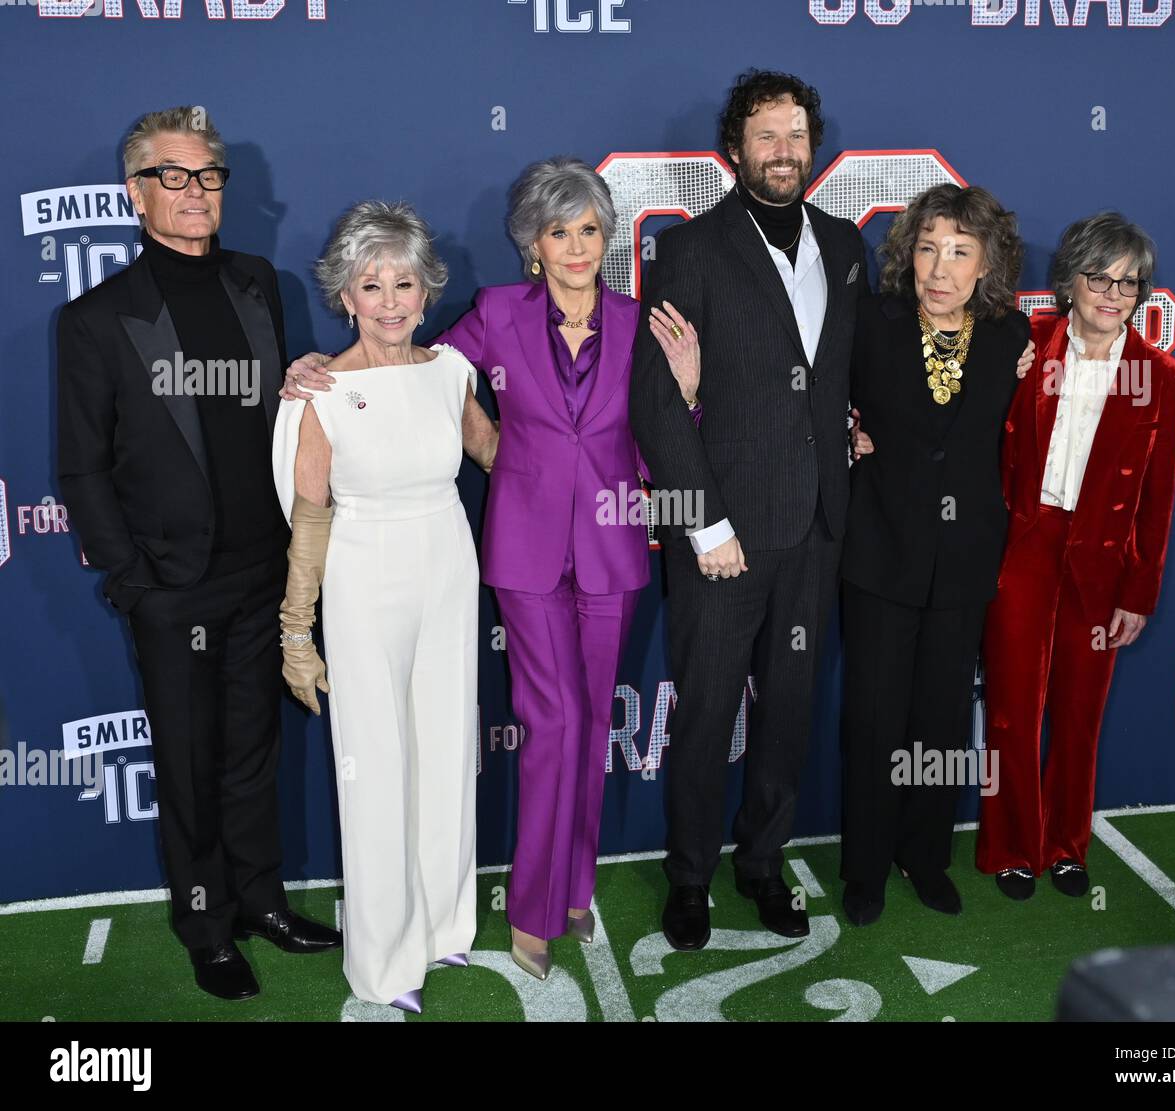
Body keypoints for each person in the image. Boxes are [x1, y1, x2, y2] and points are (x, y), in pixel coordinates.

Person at [282, 160, 700, 982]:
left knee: (590, 724)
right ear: (532, 246)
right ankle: (534, 911)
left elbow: (657, 448)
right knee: (553, 725)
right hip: (524, 554)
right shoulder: (496, 317)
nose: (576, 246)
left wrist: (683, 395)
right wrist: (312, 373)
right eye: (558, 232)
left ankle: (576, 884)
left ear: (608, 238)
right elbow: (414, 376)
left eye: (589, 229)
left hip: (615, 551)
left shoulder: (639, 321)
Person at [56, 107, 339, 1002]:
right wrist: (130, 577)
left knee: (255, 753)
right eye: (173, 177)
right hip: (172, 587)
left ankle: (261, 901)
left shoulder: (259, 282)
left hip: (264, 572)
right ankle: (207, 925)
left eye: (208, 175)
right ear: (135, 193)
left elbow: (278, 413)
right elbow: (82, 462)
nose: (195, 193)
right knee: (187, 765)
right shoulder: (98, 319)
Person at [629, 69, 870, 951]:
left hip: (815, 531)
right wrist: (707, 527)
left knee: (790, 710)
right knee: (703, 713)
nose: (782, 150)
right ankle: (689, 875)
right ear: (734, 150)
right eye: (765, 134)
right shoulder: (689, 251)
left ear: (813, 144)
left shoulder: (845, 247)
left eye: (795, 133)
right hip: (721, 538)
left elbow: (855, 373)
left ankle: (762, 863)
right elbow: (656, 404)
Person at [271, 201, 489, 1012]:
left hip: (446, 561)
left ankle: (443, 926)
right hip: (363, 575)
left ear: (427, 289)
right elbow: (310, 516)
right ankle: (385, 962)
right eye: (372, 285)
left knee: (443, 748)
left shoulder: (451, 372)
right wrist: (297, 630)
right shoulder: (321, 390)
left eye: (405, 281)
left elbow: (497, 452)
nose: (391, 299)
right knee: (375, 767)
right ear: (347, 296)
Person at [976, 213, 1175, 900]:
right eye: (1100, 276)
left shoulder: (1161, 376)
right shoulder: (1026, 342)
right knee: (1010, 706)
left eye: (1129, 283)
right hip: (1026, 546)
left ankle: (1067, 845)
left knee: (1079, 712)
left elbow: (1159, 498)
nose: (1112, 293)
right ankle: (1011, 844)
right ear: (1070, 280)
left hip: (1100, 563)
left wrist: (1139, 592)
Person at [840, 183, 1030, 926]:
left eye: (958, 251)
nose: (939, 268)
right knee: (874, 718)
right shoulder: (870, 323)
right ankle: (864, 870)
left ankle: (925, 857)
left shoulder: (1013, 337)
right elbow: (814, 401)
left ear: (987, 263)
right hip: (881, 554)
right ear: (907, 256)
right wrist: (845, 440)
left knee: (943, 722)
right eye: (926, 248)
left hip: (965, 562)